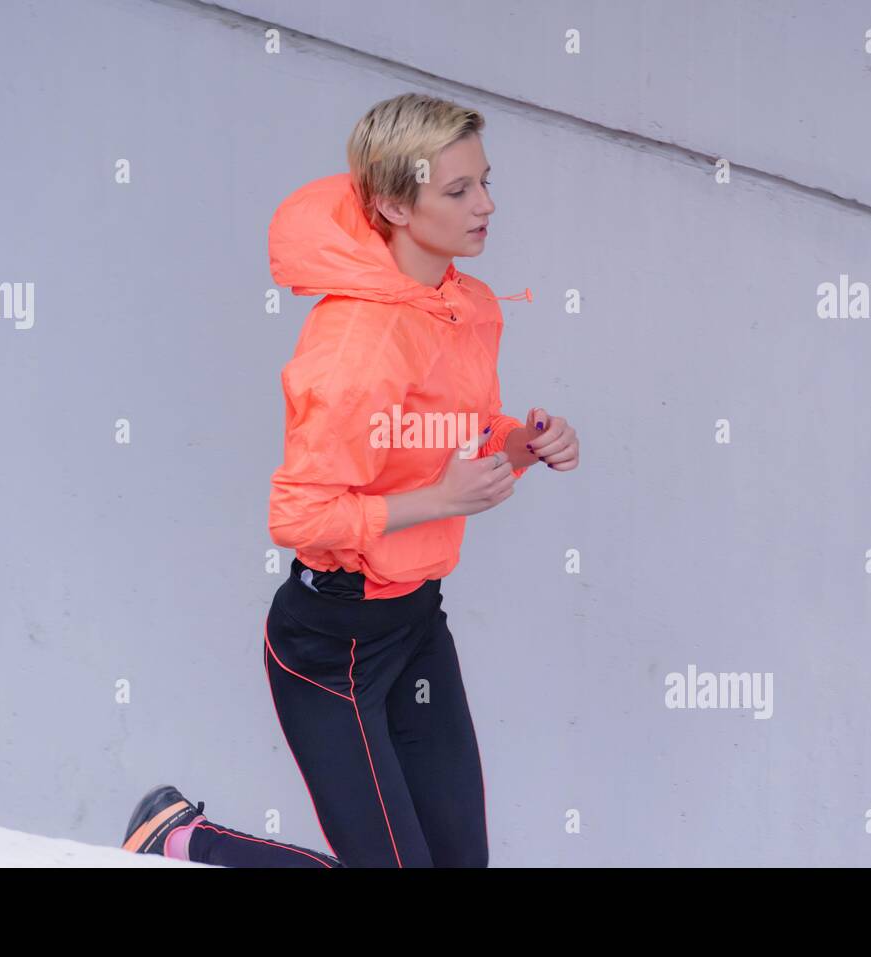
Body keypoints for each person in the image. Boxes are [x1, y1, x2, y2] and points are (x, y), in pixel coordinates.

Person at [121, 92, 580, 867]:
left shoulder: (461, 303)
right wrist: (442, 499)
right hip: (332, 642)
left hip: (416, 624)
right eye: (459, 190)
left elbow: (444, 432)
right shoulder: (356, 346)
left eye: (487, 182)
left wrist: (521, 443)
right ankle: (183, 840)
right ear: (396, 205)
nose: (487, 206)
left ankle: (180, 838)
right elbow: (299, 514)